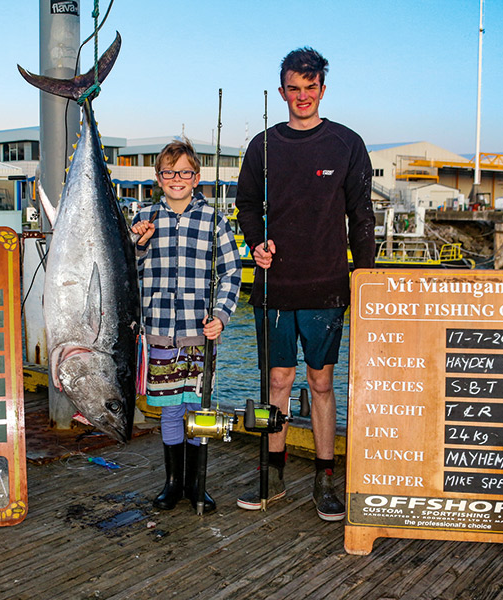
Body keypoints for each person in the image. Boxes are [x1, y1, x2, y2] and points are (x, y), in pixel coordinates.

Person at [234, 47, 376, 520]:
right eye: (293, 89)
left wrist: (367, 275)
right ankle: (271, 478)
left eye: (309, 88)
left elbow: (362, 217)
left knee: (320, 382)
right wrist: (256, 242)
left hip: (328, 286)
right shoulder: (262, 145)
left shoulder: (347, 143)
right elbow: (247, 205)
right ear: (282, 92)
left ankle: (324, 480)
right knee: (277, 381)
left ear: (322, 90)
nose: (301, 96)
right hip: (275, 286)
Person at [131, 138, 241, 514]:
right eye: (169, 172)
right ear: (158, 178)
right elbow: (128, 271)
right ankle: (172, 484)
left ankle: (197, 484)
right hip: (159, 330)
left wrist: (221, 317)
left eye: (185, 172)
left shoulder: (214, 219)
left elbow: (231, 273)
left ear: (196, 177)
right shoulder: (143, 218)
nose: (177, 178)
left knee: (196, 409)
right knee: (171, 410)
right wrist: (138, 244)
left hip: (201, 334)